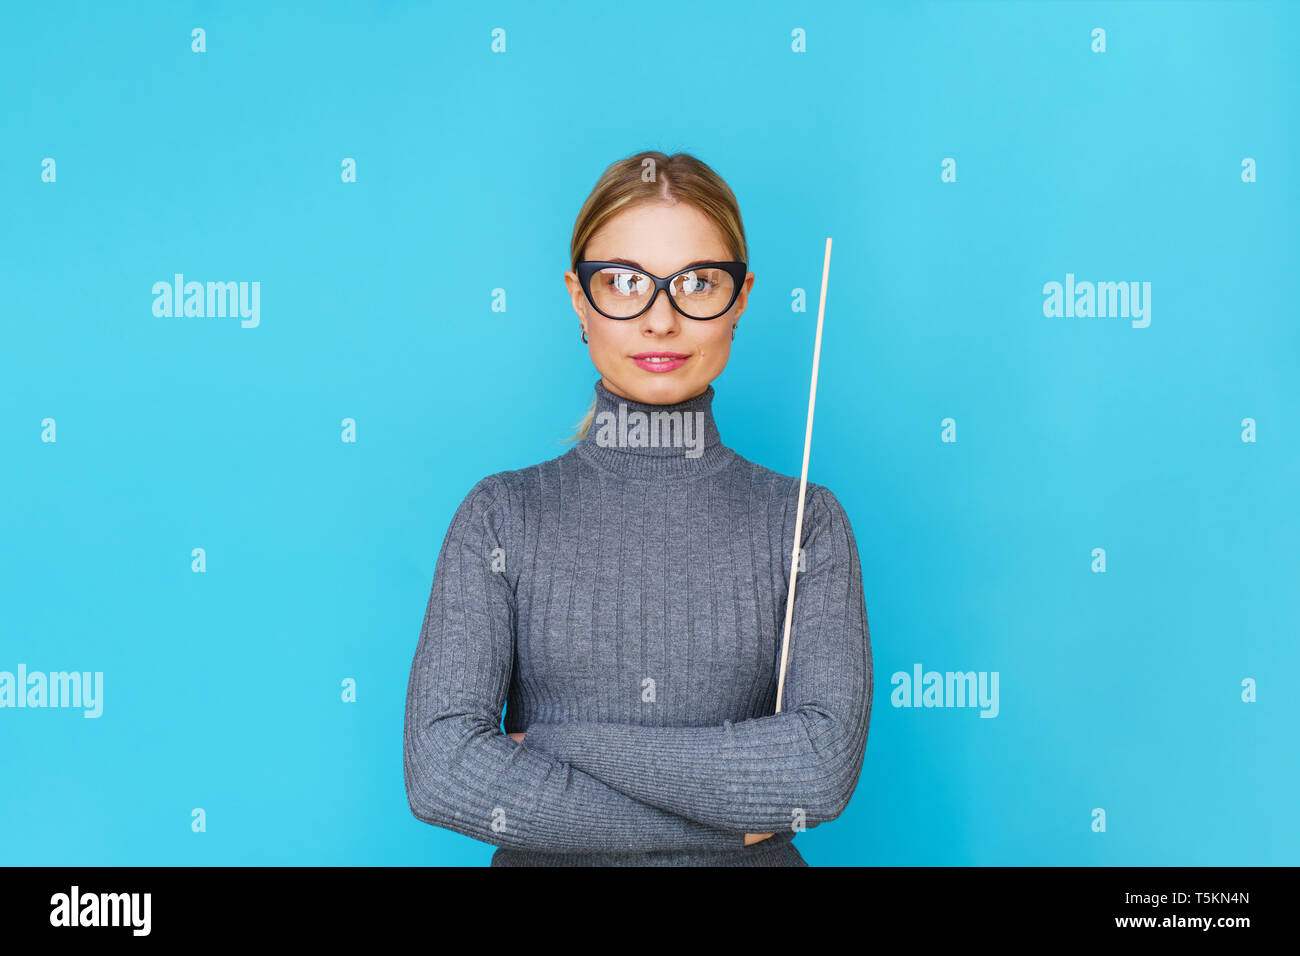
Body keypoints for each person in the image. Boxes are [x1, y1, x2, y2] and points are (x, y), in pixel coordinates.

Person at [402, 150, 873, 866]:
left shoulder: (805, 521)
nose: (661, 320)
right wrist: (716, 824)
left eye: (698, 283)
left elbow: (818, 771)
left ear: (741, 298)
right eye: (623, 283)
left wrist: (561, 744)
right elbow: (442, 770)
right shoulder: (500, 517)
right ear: (578, 297)